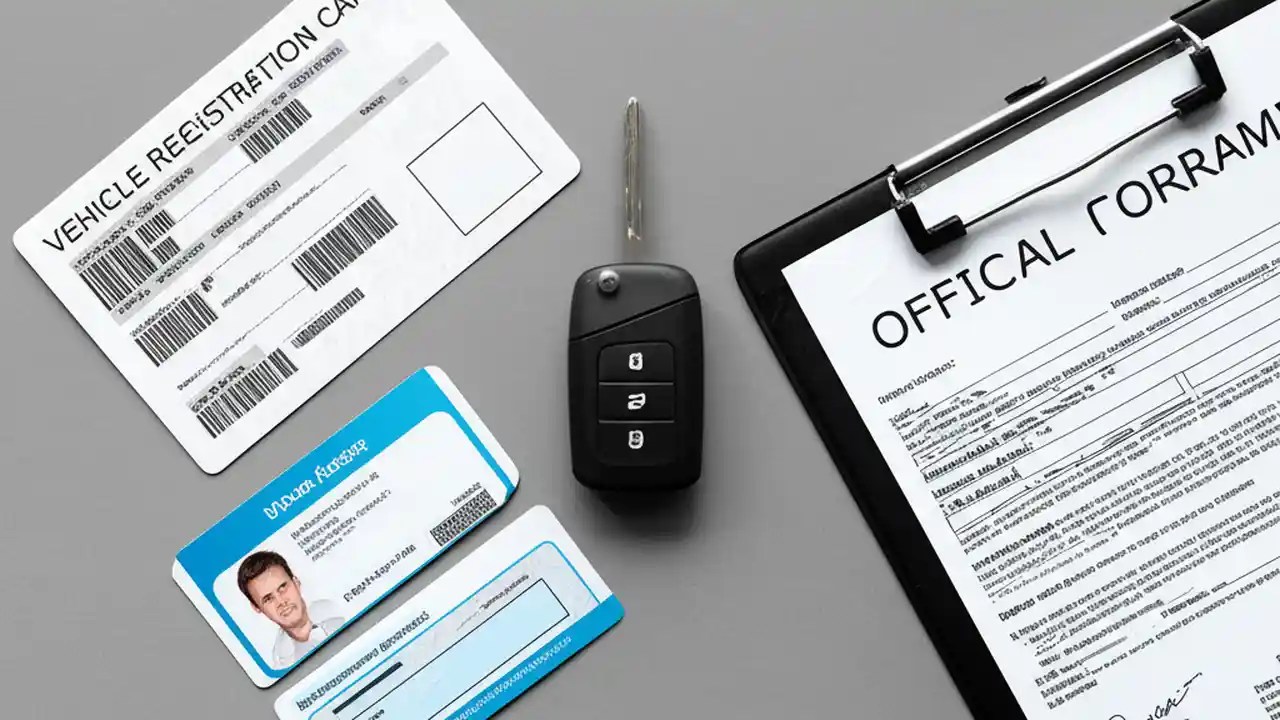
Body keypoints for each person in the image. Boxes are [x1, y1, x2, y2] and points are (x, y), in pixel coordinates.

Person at [236, 551, 345, 668]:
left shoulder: (341, 610)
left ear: (296, 583)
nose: (281, 602)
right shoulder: (278, 662)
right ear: (257, 608)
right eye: (268, 599)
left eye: (282, 588)